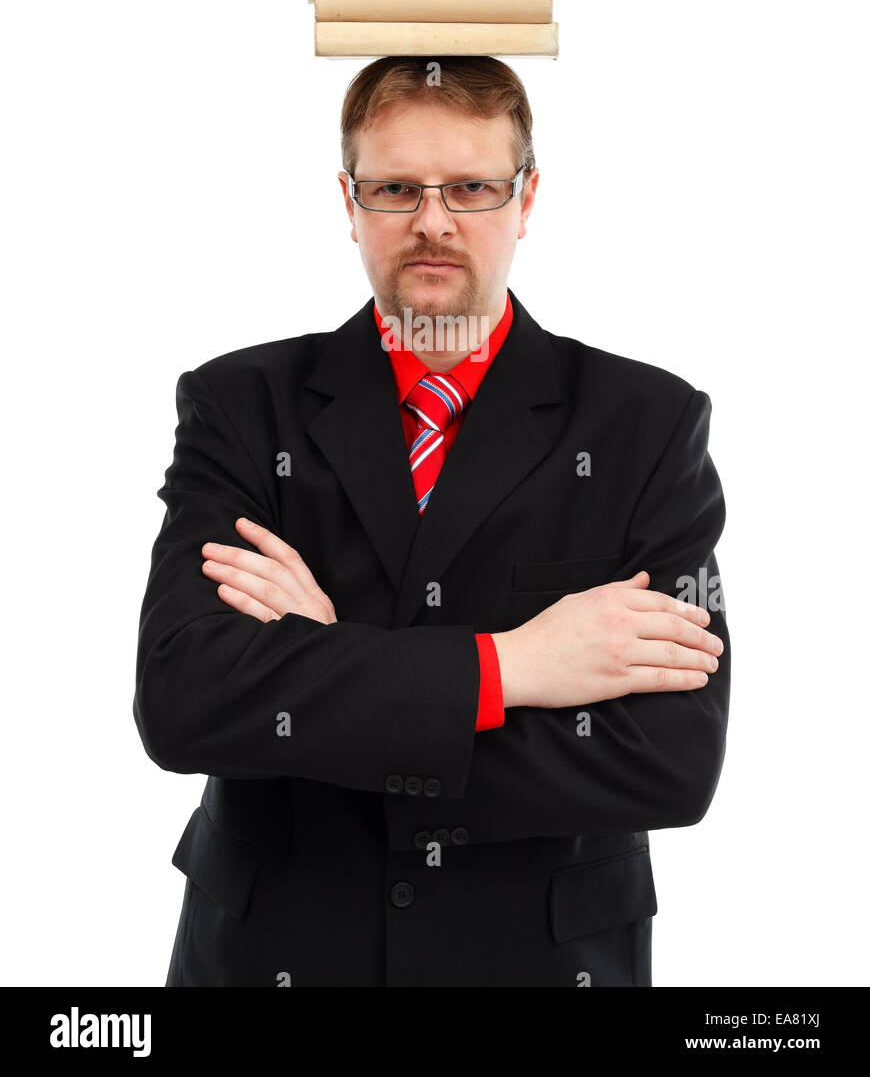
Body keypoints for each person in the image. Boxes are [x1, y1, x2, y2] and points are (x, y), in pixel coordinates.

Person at [134, 55, 728, 988]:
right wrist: (513, 667)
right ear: (349, 200)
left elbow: (669, 762)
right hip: (279, 955)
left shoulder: (646, 426)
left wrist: (327, 669)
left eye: (473, 187)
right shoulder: (240, 407)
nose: (433, 220)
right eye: (396, 187)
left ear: (527, 199)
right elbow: (183, 702)